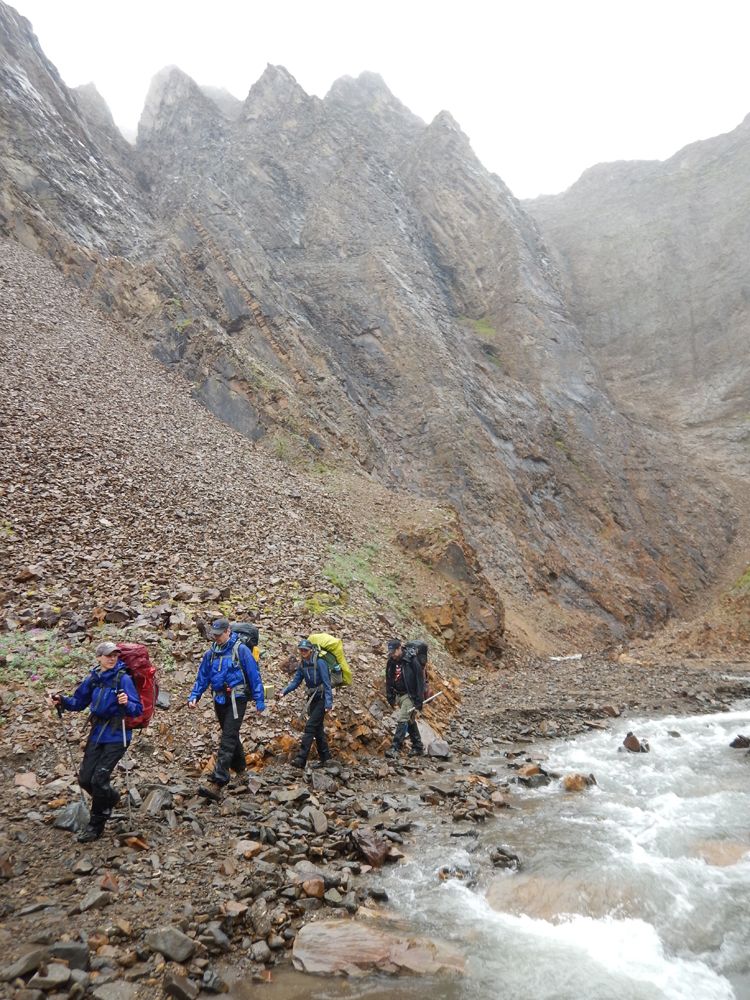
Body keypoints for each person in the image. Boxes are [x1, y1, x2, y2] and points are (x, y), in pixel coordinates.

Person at [48, 641, 143, 843]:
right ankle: (110, 797)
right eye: (108, 655)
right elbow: (78, 702)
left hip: (118, 735)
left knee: (99, 779)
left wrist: (128, 703)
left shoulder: (123, 679)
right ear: (98, 657)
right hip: (97, 732)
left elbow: (137, 709)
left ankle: (96, 824)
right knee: (85, 779)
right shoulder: (93, 679)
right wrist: (62, 700)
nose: (112, 658)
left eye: (115, 655)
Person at [188, 617, 265, 798]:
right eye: (214, 635)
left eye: (219, 634)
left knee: (228, 737)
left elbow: (254, 675)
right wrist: (194, 696)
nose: (216, 638)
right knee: (231, 735)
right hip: (219, 699)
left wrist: (259, 700)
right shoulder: (211, 654)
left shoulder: (241, 650)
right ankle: (241, 772)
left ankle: (218, 781)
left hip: (237, 699)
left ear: (228, 631)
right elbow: (203, 677)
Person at [276, 638, 333, 769]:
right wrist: (284, 692)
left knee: (310, 726)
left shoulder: (320, 662)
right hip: (311, 699)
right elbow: (296, 682)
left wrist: (328, 703)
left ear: (311, 650)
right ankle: (326, 759)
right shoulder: (303, 665)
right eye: (301, 650)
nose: (303, 652)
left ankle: (301, 759)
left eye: (305, 650)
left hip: (322, 698)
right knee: (318, 730)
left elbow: (327, 683)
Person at [385, 638, 425, 758]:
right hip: (398, 694)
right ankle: (418, 746)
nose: (392, 655)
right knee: (410, 720)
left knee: (403, 718)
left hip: (410, 695)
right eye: (390, 653)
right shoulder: (391, 661)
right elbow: (388, 679)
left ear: (399, 648)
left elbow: (419, 681)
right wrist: (390, 696)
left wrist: (419, 699)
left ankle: (395, 748)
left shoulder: (411, 660)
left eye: (394, 652)